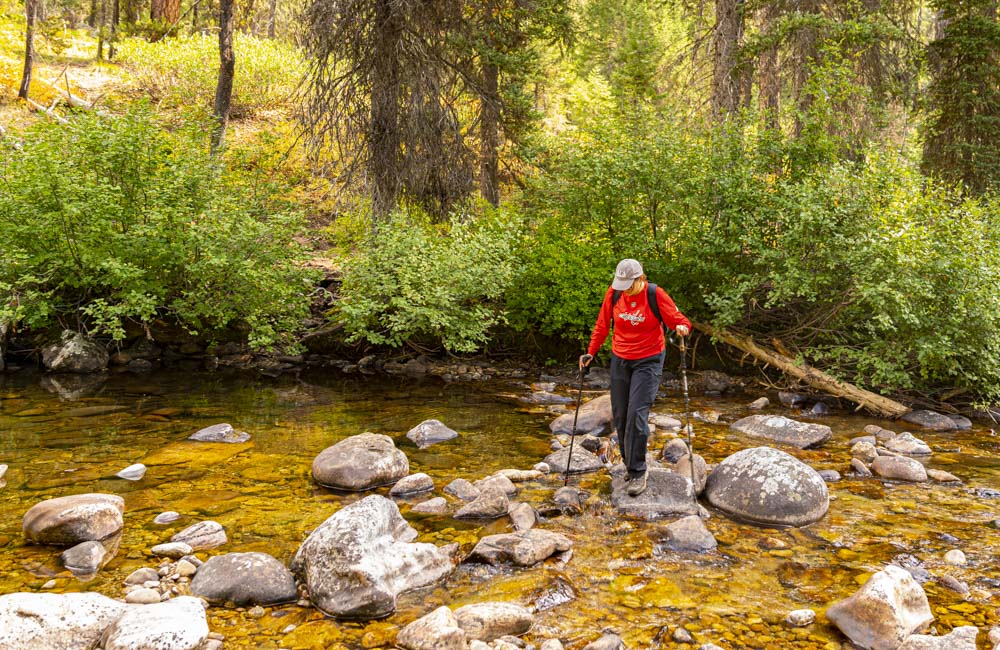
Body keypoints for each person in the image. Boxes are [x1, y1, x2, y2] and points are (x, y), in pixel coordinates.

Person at [580, 259, 691, 497]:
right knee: (620, 414)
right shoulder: (614, 294)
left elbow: (678, 320)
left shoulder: (655, 294)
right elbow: (602, 325)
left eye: (629, 284)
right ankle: (629, 464)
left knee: (637, 414)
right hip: (621, 358)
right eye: (622, 284)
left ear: (641, 279)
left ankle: (639, 471)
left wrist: (682, 327)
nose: (625, 289)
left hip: (648, 360)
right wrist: (591, 352)